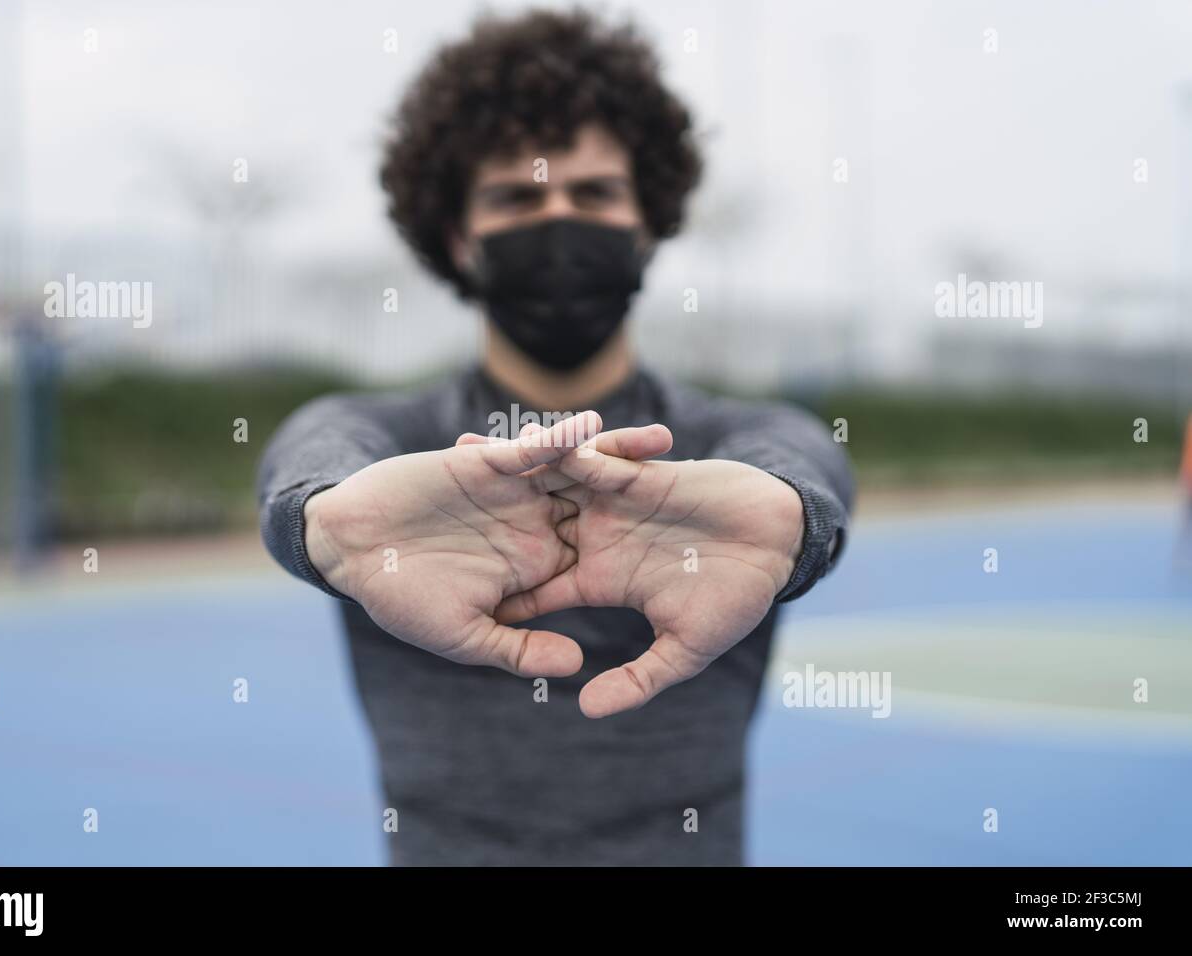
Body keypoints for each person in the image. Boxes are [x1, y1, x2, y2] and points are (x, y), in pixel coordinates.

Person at [257, 8, 854, 865]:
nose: (559, 219)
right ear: (460, 239)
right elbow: (309, 460)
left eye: (595, 194)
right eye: (519, 197)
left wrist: (795, 520)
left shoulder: (738, 441)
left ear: (647, 226)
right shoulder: (385, 444)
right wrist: (322, 526)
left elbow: (804, 468)